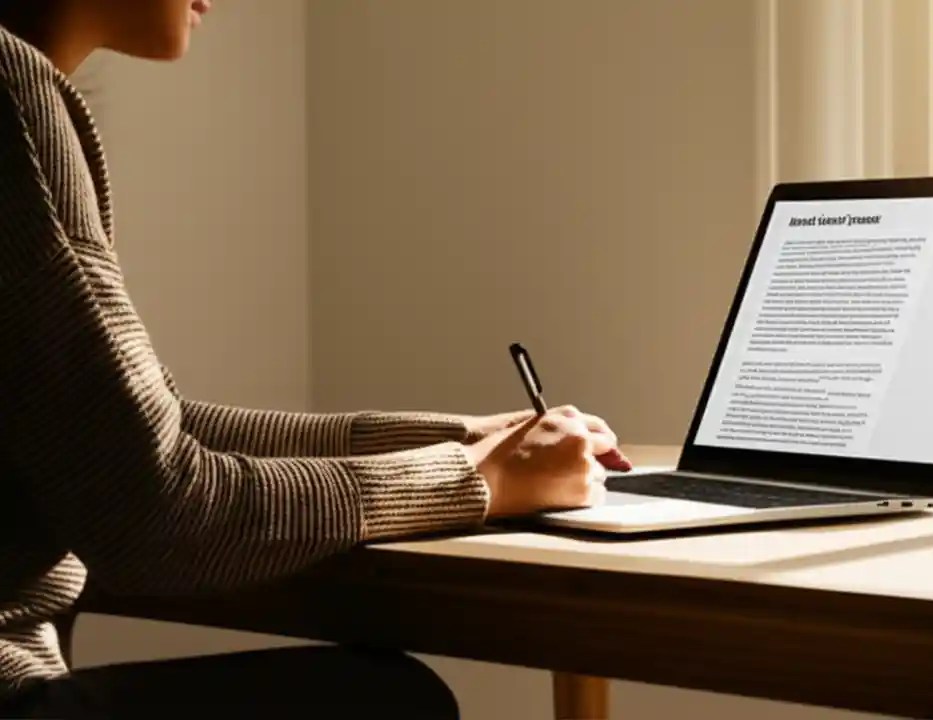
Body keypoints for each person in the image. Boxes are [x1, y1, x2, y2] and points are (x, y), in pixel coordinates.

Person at [0, 1, 632, 717]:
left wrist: (464, 443)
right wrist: (473, 481)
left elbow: (145, 436)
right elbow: (154, 517)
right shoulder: (10, 95)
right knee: (392, 701)